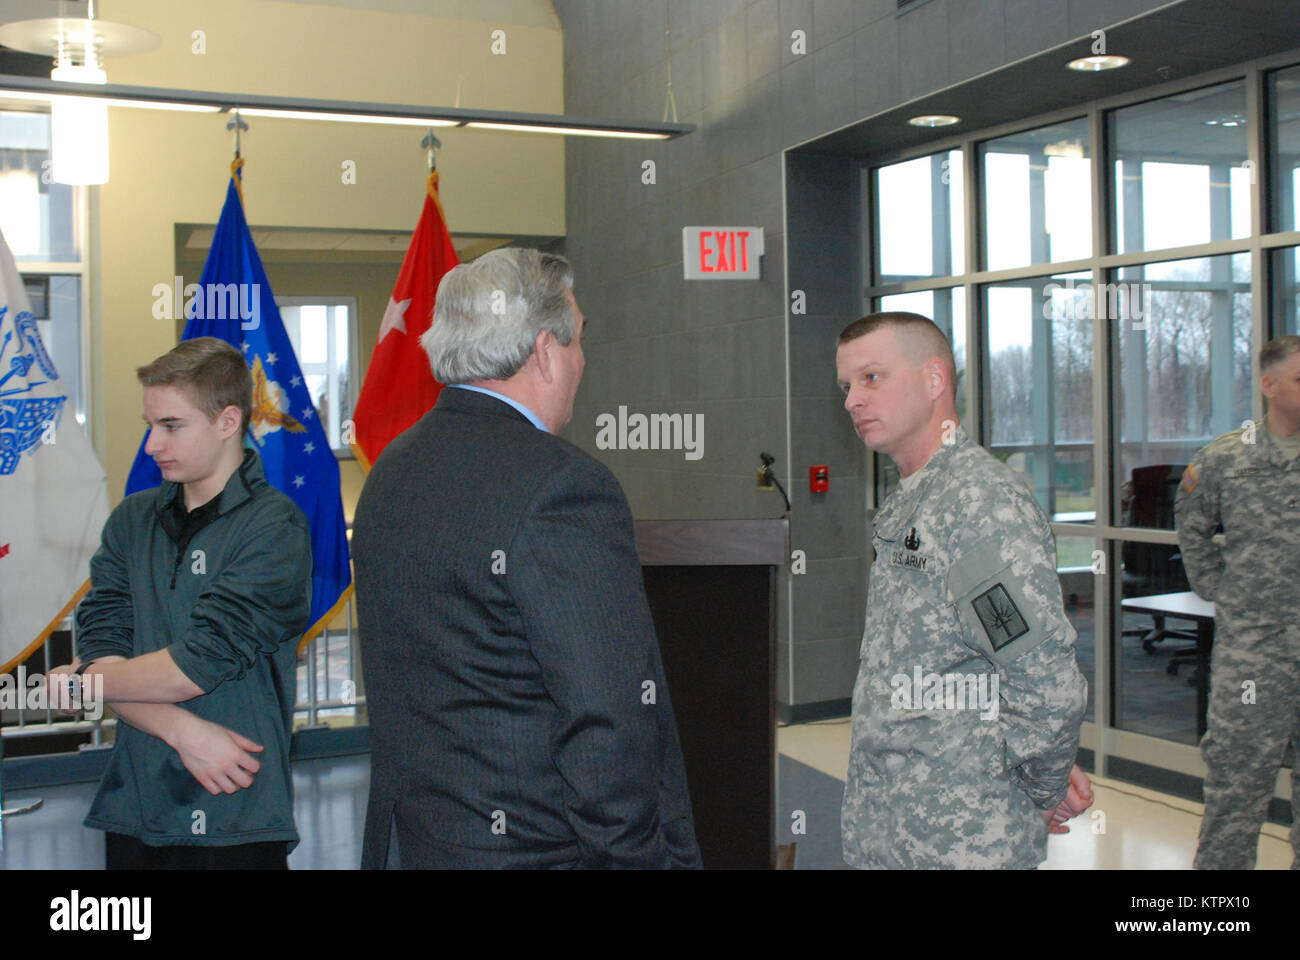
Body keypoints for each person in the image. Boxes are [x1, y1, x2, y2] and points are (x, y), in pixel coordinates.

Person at [352, 247, 700, 869]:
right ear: (544, 350)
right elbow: (605, 718)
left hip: (424, 844)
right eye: (578, 342)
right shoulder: (562, 487)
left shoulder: (391, 470)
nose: (583, 361)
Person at [837, 311, 1091, 869]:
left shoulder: (977, 504)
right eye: (847, 385)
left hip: (961, 840)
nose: (854, 399)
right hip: (892, 824)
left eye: (872, 378)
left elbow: (1044, 682)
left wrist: (1038, 789)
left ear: (934, 380)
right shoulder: (911, 498)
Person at [48, 337, 312, 869]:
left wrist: (82, 683)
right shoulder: (131, 518)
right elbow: (103, 645)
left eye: (171, 426)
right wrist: (180, 729)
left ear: (227, 421)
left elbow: (194, 665)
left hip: (233, 804)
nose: (151, 445)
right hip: (136, 802)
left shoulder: (275, 527)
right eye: (150, 425)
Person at [1175, 334, 1300, 870]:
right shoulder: (1229, 456)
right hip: (1255, 653)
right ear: (1269, 386)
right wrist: (1219, 587)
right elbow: (1191, 523)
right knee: (1236, 787)